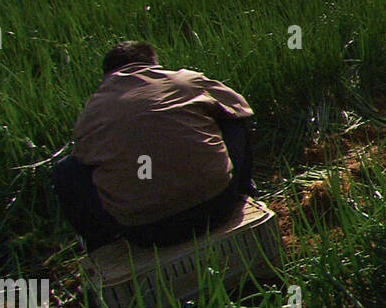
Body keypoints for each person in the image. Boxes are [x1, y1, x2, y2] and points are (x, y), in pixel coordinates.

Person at [53, 41, 255, 252]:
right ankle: (244, 190)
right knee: (231, 117)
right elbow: (240, 107)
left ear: (107, 76)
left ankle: (102, 244)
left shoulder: (91, 114)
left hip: (147, 232)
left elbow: (85, 162)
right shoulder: (183, 80)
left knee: (66, 169)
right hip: (219, 205)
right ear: (153, 62)